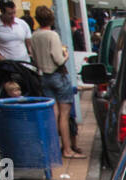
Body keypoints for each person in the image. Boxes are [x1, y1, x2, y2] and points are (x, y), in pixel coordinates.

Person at [28, 6, 83, 157]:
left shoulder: (34, 36)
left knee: (53, 115)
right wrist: (65, 55)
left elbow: (33, 56)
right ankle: (67, 149)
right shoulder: (52, 35)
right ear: (51, 19)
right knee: (64, 116)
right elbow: (58, 59)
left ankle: (52, 148)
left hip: (43, 76)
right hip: (57, 75)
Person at [0, 0, 33, 66]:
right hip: (7, 67)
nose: (13, 16)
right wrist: (3, 60)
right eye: (9, 14)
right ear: (2, 12)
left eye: (14, 12)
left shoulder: (22, 23)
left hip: (25, 65)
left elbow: (29, 42)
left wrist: (31, 53)